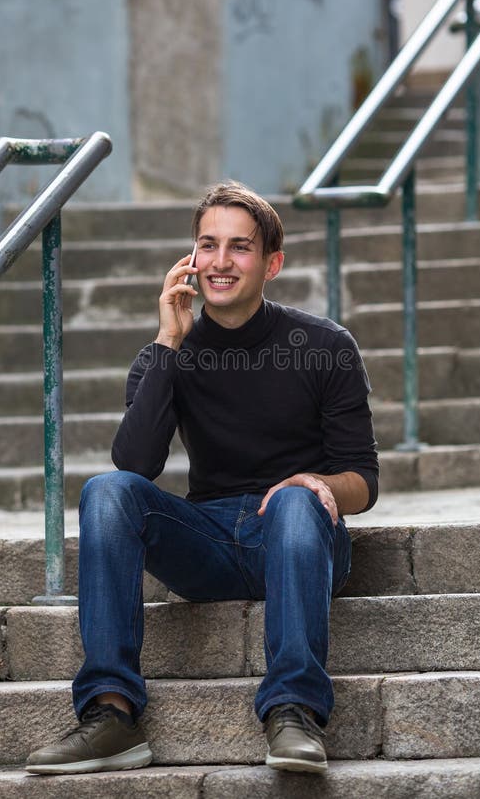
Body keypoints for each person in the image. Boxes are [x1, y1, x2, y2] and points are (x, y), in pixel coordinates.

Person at [26, 181, 378, 776]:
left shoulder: (324, 346)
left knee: (295, 500)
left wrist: (313, 486)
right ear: (190, 259)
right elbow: (134, 466)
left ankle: (293, 711)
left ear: (272, 263)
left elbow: (363, 482)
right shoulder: (166, 354)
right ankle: (111, 716)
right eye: (207, 245)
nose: (220, 262)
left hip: (302, 537)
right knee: (105, 492)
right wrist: (169, 340)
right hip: (210, 538)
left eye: (239, 248)